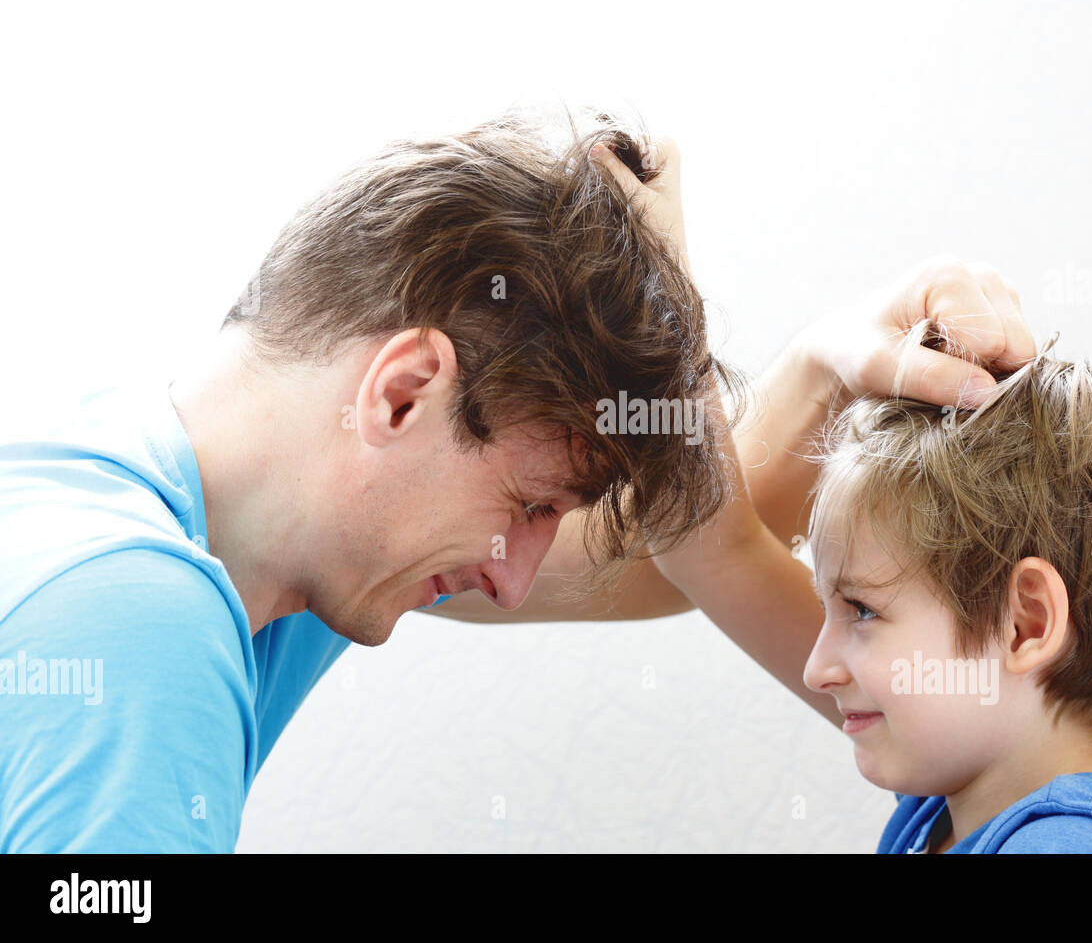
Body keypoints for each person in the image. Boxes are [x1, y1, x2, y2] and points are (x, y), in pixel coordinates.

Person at [0, 107, 1033, 851]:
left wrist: (816, 369)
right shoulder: (139, 625)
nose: (515, 574)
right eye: (529, 507)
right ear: (402, 394)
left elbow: (659, 555)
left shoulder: (217, 514)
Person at [801, 329, 1092, 852]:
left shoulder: (1069, 847)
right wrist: (824, 355)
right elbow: (718, 553)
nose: (815, 671)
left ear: (1025, 625)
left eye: (862, 609)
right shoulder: (945, 808)